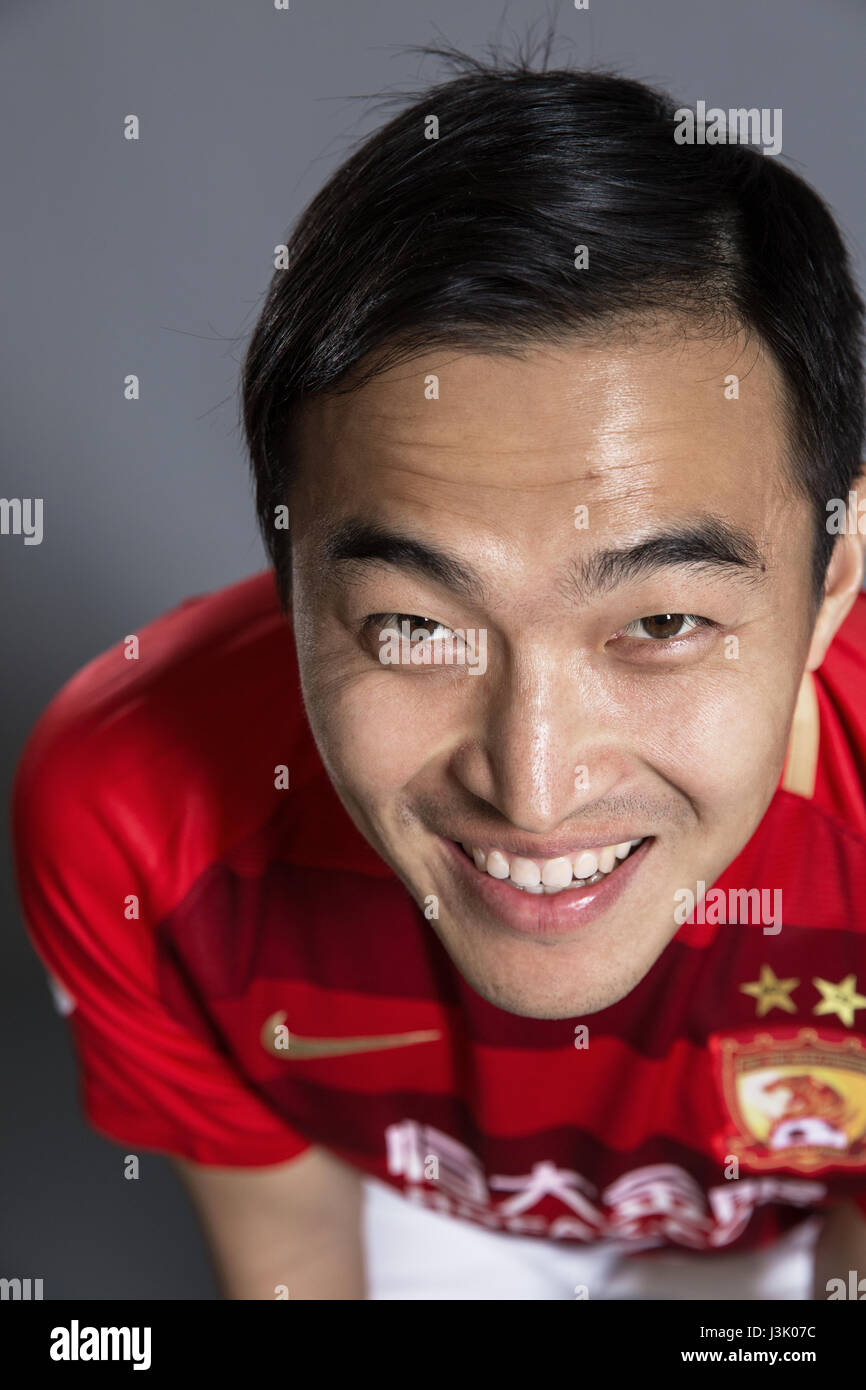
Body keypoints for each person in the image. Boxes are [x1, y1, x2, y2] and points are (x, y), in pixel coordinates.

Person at [12, 46, 866, 1300]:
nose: (532, 788)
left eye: (665, 619)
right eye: (413, 626)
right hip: (418, 1219)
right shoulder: (128, 814)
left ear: (831, 582)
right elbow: (293, 1266)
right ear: (289, 578)